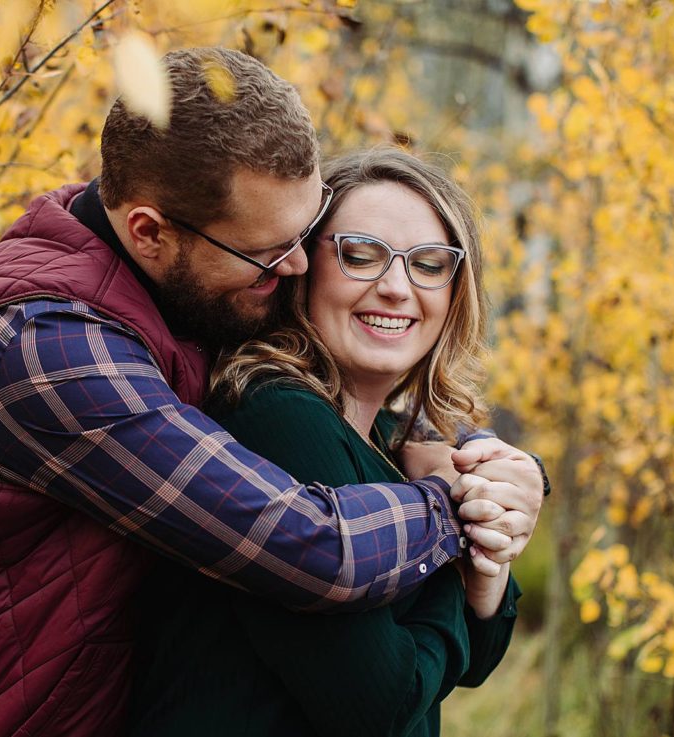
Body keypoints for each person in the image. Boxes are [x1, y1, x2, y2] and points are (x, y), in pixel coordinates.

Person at [0, 48, 544, 737]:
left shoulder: (175, 290)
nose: (291, 268)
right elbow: (307, 544)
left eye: (304, 232)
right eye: (271, 251)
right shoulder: (48, 350)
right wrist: (460, 503)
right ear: (148, 232)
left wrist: (485, 470)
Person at [127, 148, 524, 736]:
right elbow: (381, 706)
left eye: (430, 263)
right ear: (302, 265)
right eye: (361, 256)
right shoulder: (277, 417)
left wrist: (487, 568)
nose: (396, 287)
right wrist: (450, 534)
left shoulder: (394, 441)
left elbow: (472, 661)